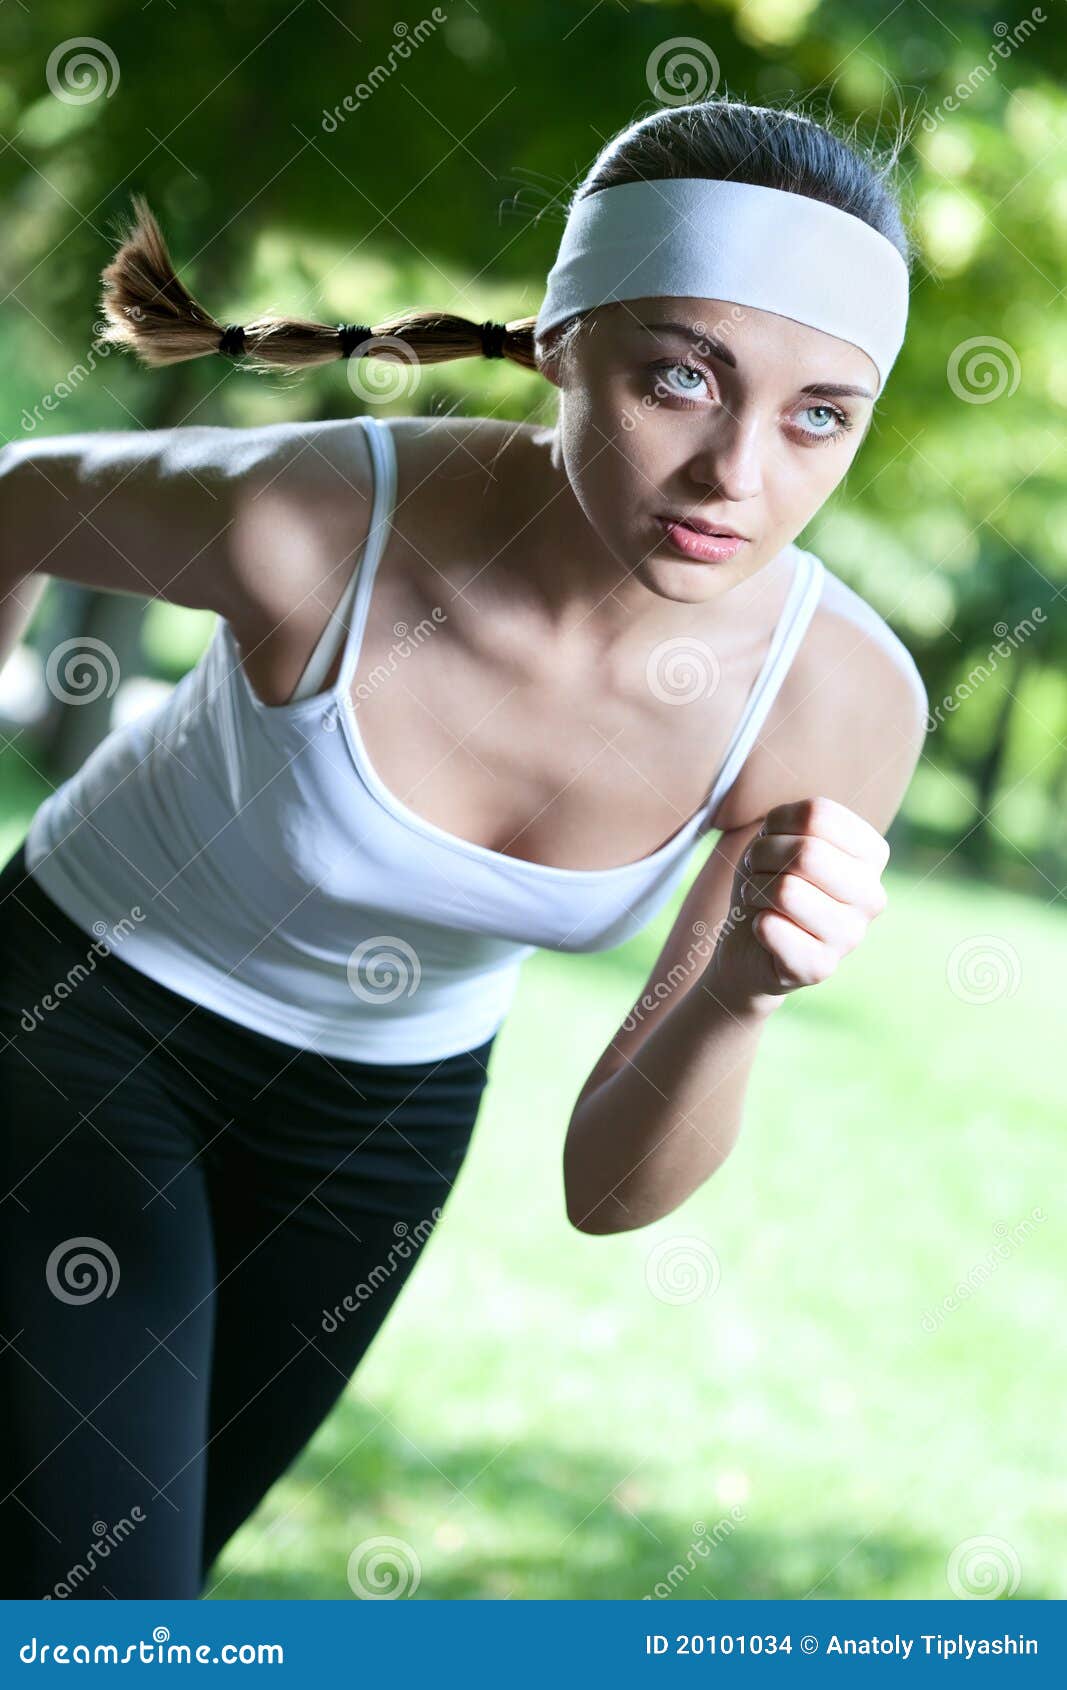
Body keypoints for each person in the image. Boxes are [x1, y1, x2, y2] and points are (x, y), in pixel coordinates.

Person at [0, 97, 927, 1599]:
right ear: (561, 345)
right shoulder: (309, 528)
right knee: (109, 1601)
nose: (736, 475)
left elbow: (608, 1190)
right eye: (682, 378)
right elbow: (21, 501)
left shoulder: (836, 699)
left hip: (384, 1119)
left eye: (821, 413)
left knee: (140, 1564)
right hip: (87, 1008)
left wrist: (738, 993)